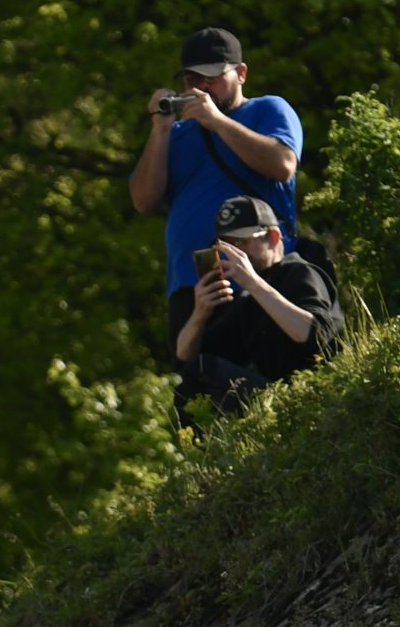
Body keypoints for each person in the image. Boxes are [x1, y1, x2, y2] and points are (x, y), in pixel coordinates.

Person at [131, 27, 304, 355]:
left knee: (269, 376)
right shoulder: (175, 135)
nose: (201, 88)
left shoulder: (268, 110)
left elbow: (282, 164)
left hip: (262, 276)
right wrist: (160, 128)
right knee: (201, 388)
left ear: (241, 73)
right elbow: (143, 200)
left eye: (211, 77)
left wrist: (217, 122)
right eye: (192, 80)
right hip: (195, 287)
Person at [175, 195, 344, 418]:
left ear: (273, 237)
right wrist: (200, 313)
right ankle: (204, 453)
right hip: (279, 405)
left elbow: (318, 336)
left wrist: (254, 283)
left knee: (202, 371)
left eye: (242, 243)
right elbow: (186, 357)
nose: (235, 253)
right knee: (193, 379)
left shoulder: (300, 273)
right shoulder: (248, 301)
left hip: (319, 400)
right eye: (228, 246)